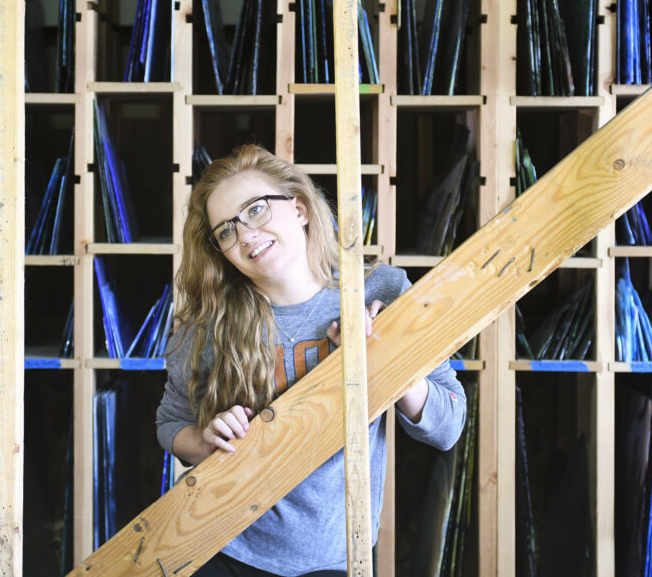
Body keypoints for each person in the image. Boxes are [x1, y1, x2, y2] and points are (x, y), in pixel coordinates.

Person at [156, 145, 467, 577]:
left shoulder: (383, 292)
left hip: (333, 559)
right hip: (224, 547)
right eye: (225, 231)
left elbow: (448, 425)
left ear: (300, 208)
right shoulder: (207, 324)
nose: (244, 235)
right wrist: (205, 441)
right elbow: (170, 424)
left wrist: (382, 362)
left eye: (256, 210)